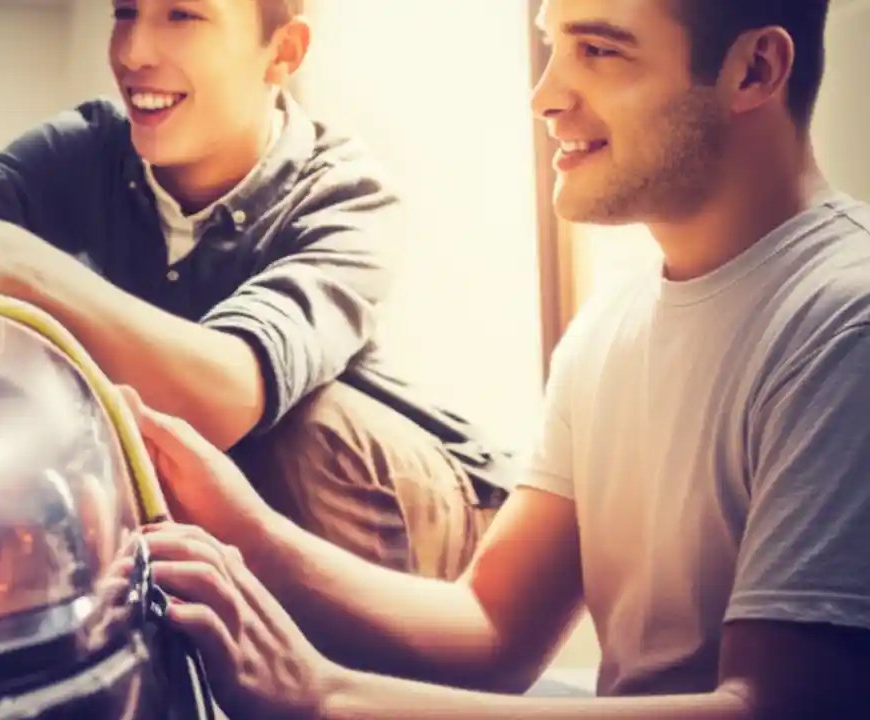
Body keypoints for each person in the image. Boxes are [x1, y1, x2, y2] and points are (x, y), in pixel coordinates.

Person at [123, 0, 870, 716]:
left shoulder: (844, 320)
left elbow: (778, 708)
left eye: (599, 51)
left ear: (755, 70)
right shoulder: (611, 326)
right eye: (552, 47)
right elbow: (491, 627)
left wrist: (326, 699)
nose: (545, 94)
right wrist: (240, 527)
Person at [0, 0, 508, 581]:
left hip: (430, 508)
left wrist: (14, 262)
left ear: (282, 52)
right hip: (248, 506)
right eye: (125, 11)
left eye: (182, 14)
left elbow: (227, 395)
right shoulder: (82, 147)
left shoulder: (350, 194)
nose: (134, 52)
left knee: (298, 428)